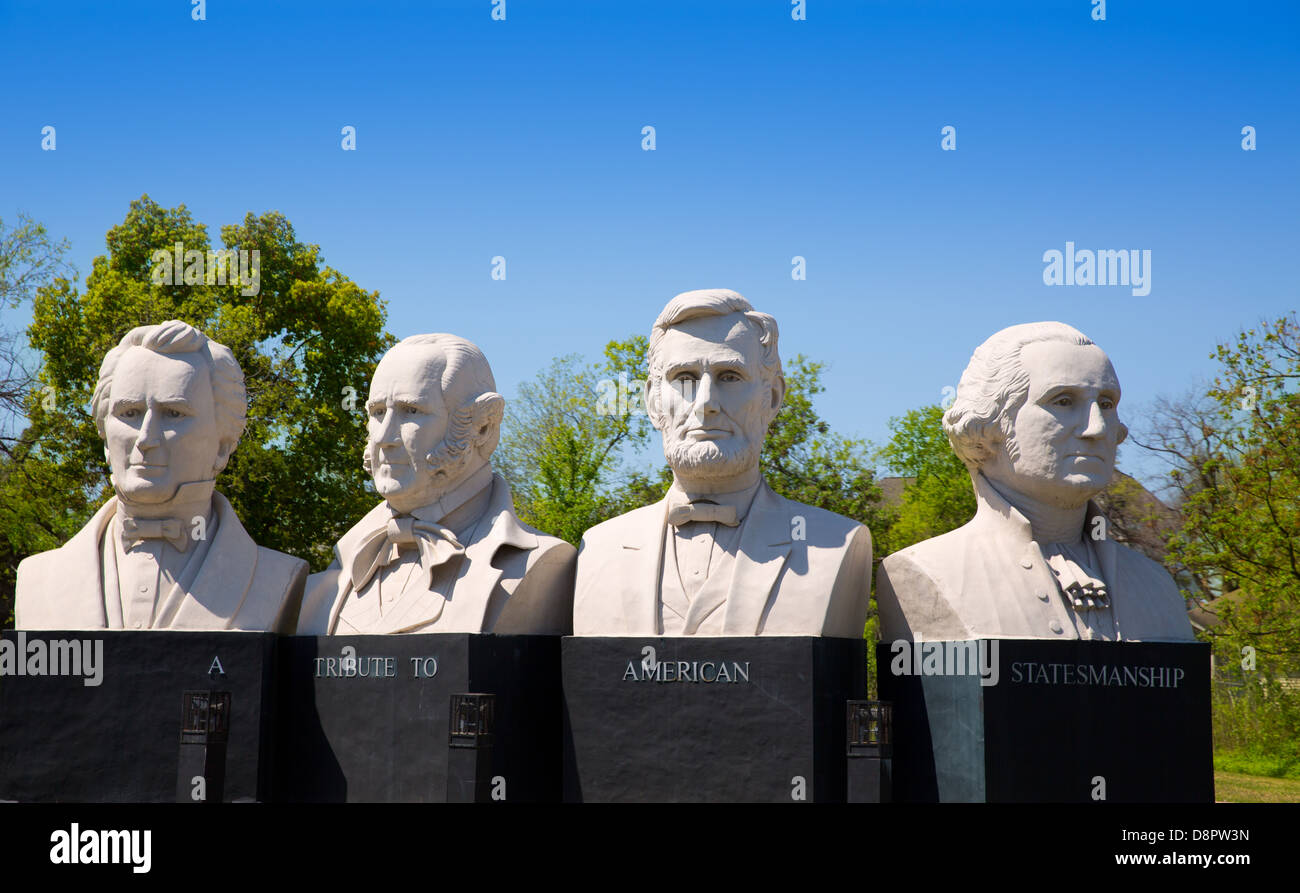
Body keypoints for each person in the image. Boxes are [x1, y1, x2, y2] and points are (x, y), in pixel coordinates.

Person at [572, 289, 872, 638]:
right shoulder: (599, 549)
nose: (705, 403)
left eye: (729, 377)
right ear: (653, 403)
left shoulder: (837, 543)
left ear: (772, 397)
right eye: (684, 379)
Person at [876, 321, 1195, 642]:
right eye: (1063, 401)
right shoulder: (925, 571)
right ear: (988, 425)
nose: (1096, 428)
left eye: (1107, 404)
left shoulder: (1156, 585)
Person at [16, 320, 307, 631]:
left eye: (173, 413)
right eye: (129, 413)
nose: (145, 438)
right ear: (104, 437)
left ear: (223, 445)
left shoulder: (278, 580)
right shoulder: (37, 578)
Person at [296, 334, 575, 635]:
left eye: (411, 411)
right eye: (377, 412)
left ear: (482, 425)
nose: (383, 437)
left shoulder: (544, 565)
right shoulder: (335, 573)